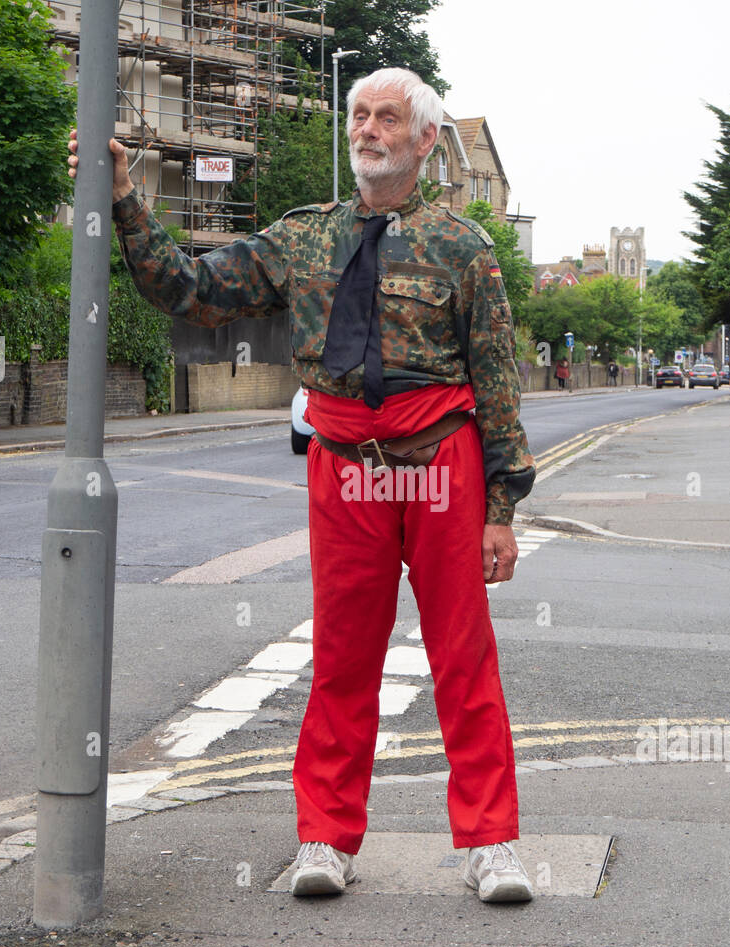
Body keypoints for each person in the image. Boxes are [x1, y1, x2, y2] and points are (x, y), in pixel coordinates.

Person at [68, 67, 536, 903]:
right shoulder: (301, 237)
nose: (366, 130)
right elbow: (189, 289)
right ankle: (324, 838)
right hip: (345, 466)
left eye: (386, 118)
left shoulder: (465, 249)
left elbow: (498, 383)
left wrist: (501, 509)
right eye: (358, 116)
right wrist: (125, 199)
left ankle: (491, 845)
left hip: (441, 465)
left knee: (463, 656)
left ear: (425, 140)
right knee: (341, 659)